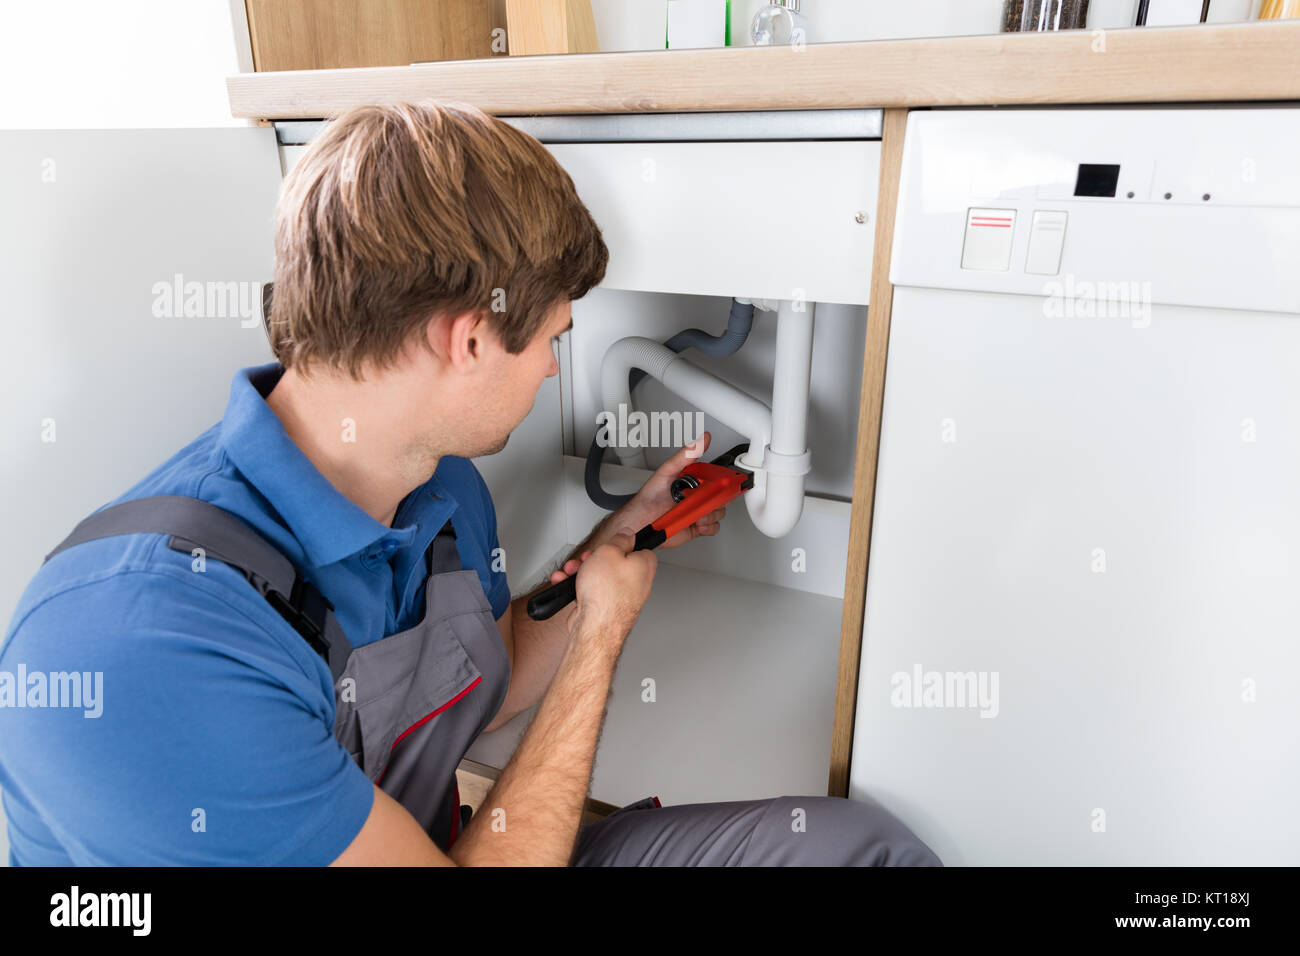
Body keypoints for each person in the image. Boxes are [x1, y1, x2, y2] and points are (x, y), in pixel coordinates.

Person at [0, 101, 939, 867]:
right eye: (554, 343)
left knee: (856, 853)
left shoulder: (437, 486)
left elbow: (462, 688)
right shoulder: (146, 649)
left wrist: (598, 567)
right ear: (471, 337)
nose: (547, 374)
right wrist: (602, 637)